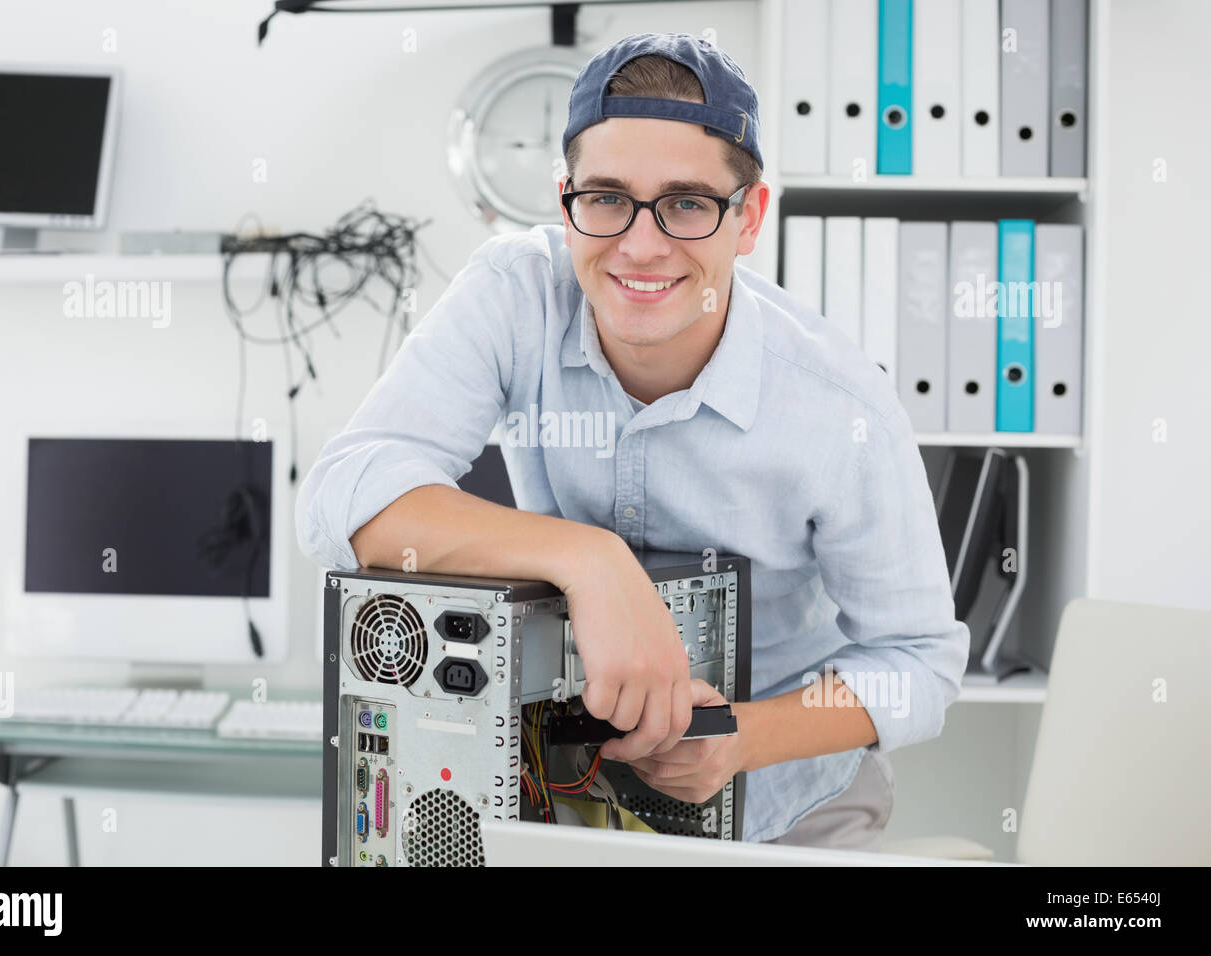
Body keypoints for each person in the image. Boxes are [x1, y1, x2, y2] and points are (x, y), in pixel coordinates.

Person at [295, 33, 969, 849]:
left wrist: (743, 739)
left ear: (748, 218)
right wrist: (589, 561)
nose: (640, 246)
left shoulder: (840, 407)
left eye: (687, 203)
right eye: (608, 198)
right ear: (565, 200)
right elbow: (346, 491)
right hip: (557, 801)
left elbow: (919, 664)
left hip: (782, 805)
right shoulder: (514, 296)